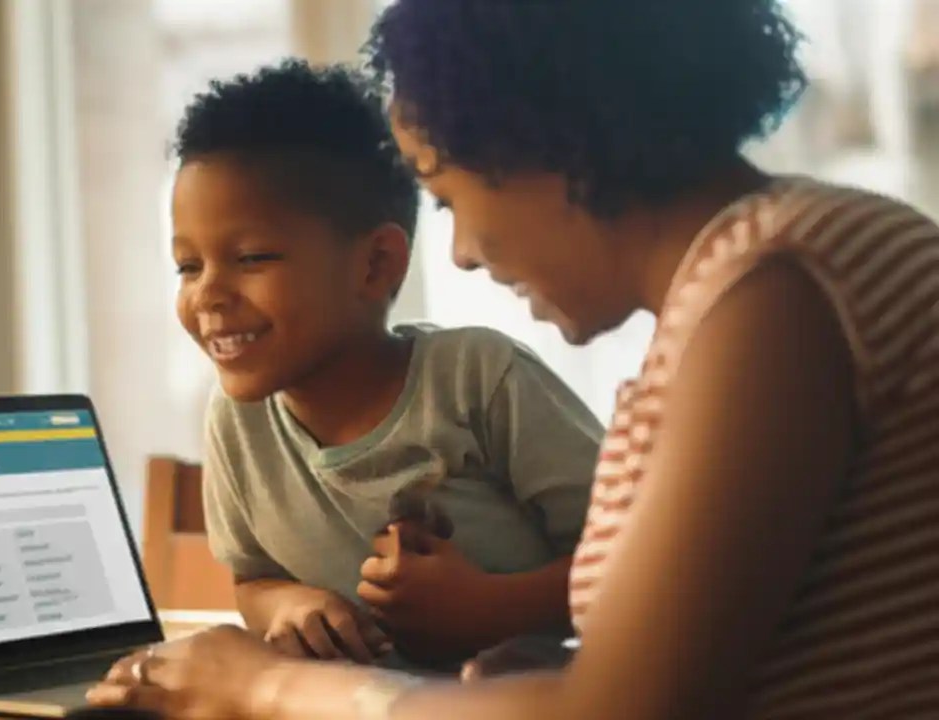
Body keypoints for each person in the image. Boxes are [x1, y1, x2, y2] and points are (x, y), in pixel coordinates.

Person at [87, 1, 939, 718]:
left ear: (552, 144)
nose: (458, 253)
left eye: (448, 193)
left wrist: (269, 685)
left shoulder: (774, 298)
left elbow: (612, 712)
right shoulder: (784, 262)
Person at [169, 60, 603, 670]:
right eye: (188, 267)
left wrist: (493, 606)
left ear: (374, 265)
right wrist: (288, 605)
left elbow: (639, 561)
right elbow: (253, 579)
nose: (207, 294)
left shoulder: (478, 379)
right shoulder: (236, 423)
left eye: (251, 257)